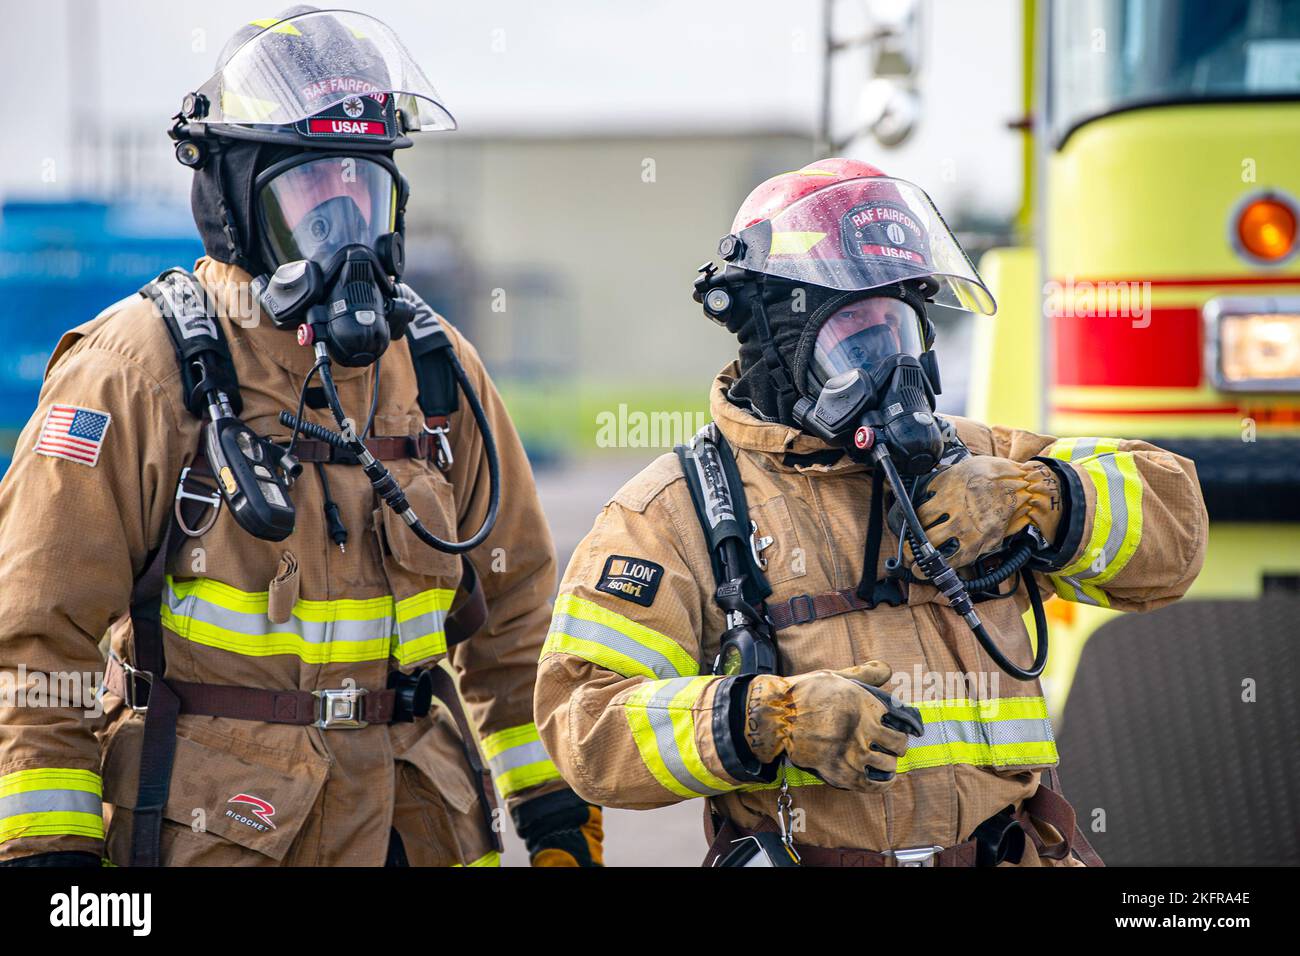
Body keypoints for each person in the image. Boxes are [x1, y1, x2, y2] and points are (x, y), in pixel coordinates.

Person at [0, 7, 601, 868]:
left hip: (417, 830)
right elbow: (33, 638)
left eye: (364, 194)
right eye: (311, 200)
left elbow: (516, 623)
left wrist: (555, 820)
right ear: (237, 204)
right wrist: (48, 859)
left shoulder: (435, 373)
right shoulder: (134, 371)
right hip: (219, 836)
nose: (344, 234)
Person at [534, 158, 1207, 866]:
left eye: (901, 331)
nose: (891, 368)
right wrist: (768, 720)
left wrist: (1033, 495)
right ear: (778, 343)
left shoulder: (984, 460)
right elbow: (586, 725)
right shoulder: (674, 512)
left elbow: (1176, 536)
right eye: (856, 335)